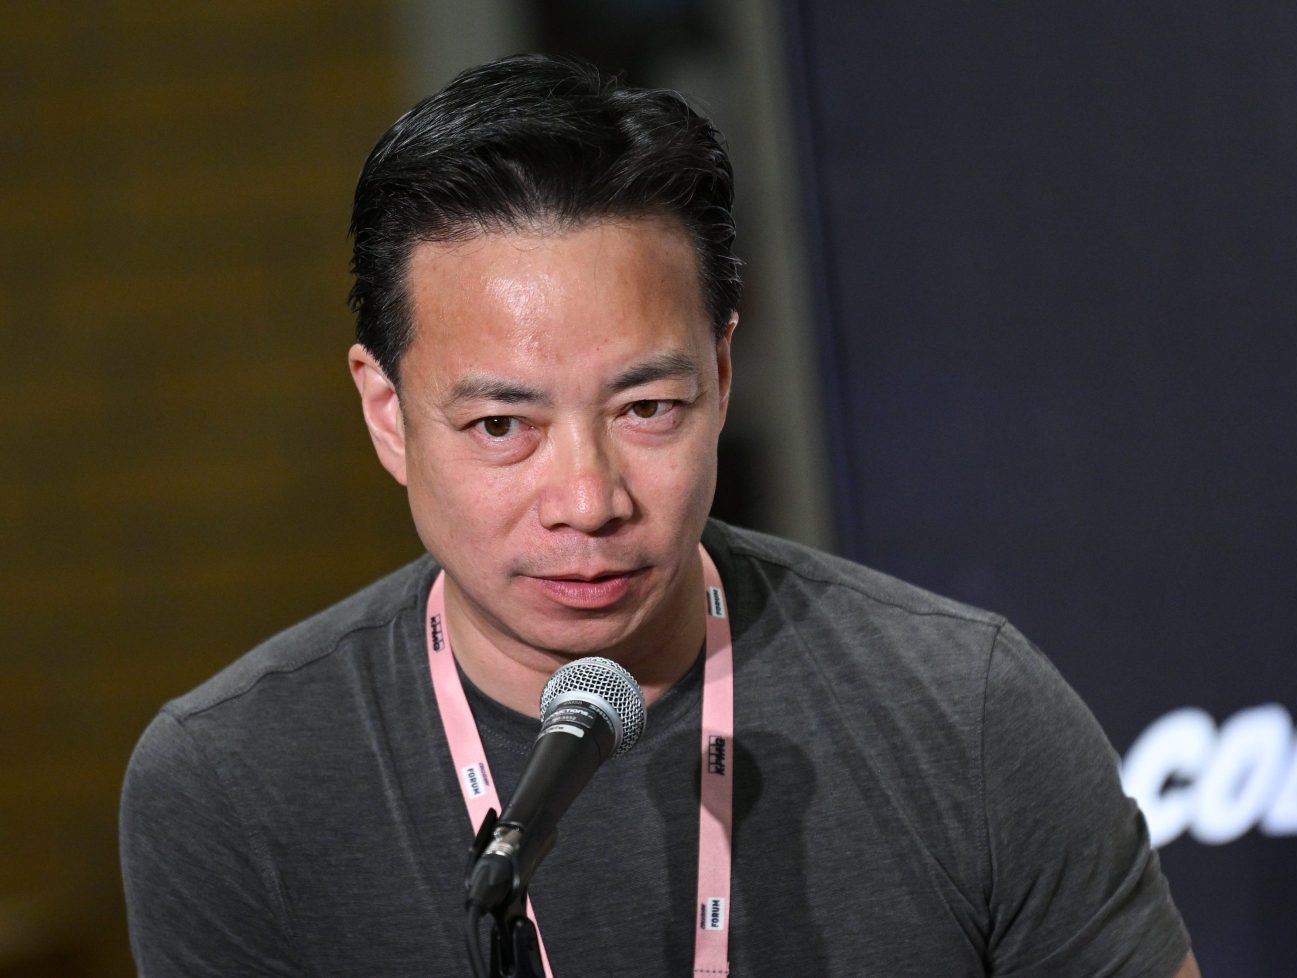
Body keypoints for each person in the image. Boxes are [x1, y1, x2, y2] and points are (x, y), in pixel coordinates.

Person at [120, 54, 1200, 977]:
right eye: (503, 426)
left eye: (648, 408)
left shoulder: (968, 714)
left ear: (723, 377)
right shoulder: (235, 786)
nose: (590, 500)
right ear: (388, 415)